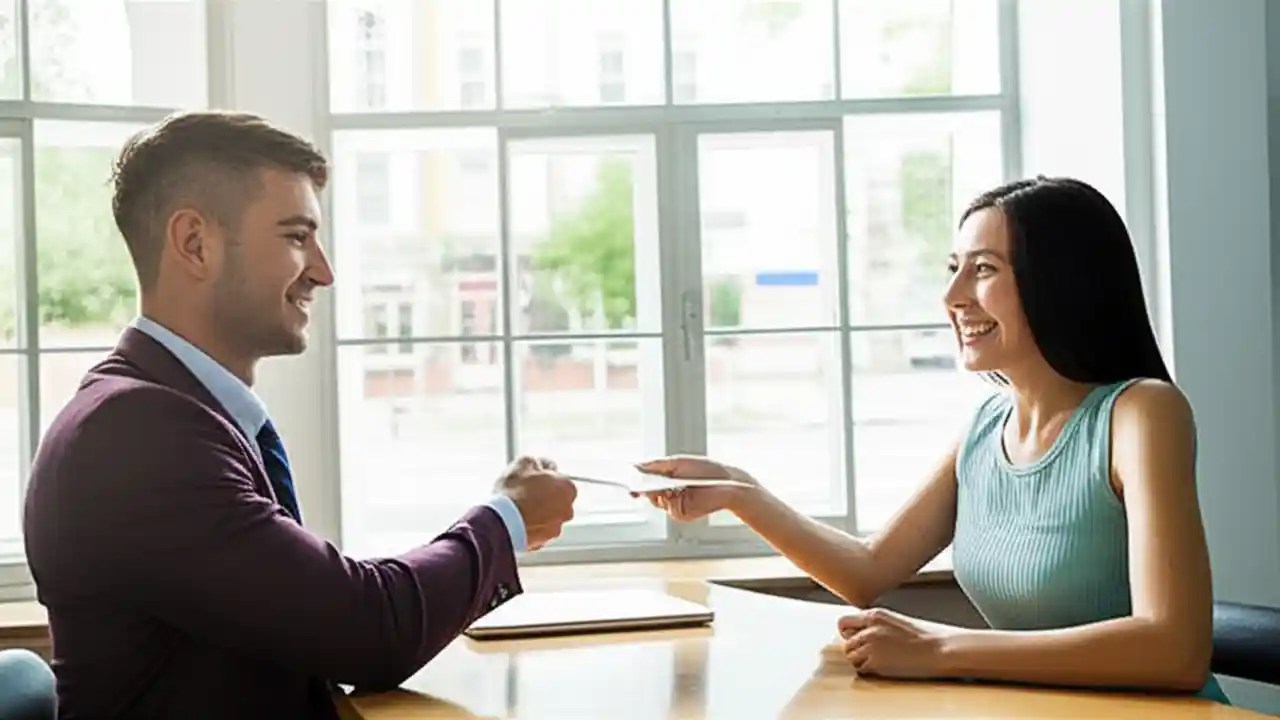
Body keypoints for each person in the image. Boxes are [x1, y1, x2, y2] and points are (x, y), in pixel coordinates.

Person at [23, 110, 578, 719]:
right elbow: (366, 630)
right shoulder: (135, 436)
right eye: (295, 236)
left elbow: (314, 604)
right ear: (195, 244)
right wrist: (510, 518)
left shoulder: (165, 411)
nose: (324, 271)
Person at [640, 176, 1229, 702]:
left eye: (984, 269)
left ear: (1059, 282)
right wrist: (741, 492)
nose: (953, 299)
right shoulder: (985, 426)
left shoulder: (1142, 413)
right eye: (954, 268)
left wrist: (941, 648)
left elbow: (1172, 650)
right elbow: (866, 571)